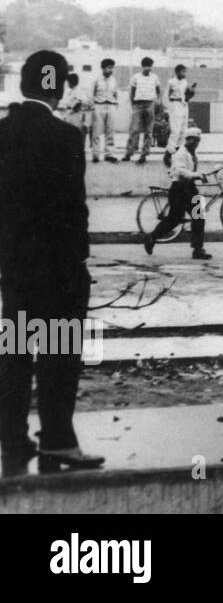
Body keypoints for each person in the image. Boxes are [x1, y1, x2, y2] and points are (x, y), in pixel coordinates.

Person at [0, 51, 104, 476]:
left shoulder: (1, 133)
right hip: (59, 271)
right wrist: (79, 261)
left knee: (16, 352)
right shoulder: (65, 137)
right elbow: (72, 209)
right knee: (59, 355)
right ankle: (58, 440)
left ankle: (11, 438)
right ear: (58, 86)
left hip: (16, 270)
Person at [143, 127, 212, 260]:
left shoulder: (190, 153)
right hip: (180, 188)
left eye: (197, 141)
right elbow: (181, 171)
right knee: (174, 219)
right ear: (190, 140)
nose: (196, 143)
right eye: (195, 140)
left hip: (189, 188)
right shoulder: (181, 153)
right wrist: (197, 175)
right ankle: (152, 237)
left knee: (198, 217)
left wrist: (196, 176)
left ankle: (198, 249)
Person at [125, 57, 159, 164]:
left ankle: (144, 154)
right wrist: (133, 105)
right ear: (142, 66)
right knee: (134, 130)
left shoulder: (155, 77)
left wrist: (157, 102)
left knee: (148, 131)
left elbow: (158, 91)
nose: (148, 68)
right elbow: (132, 92)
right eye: (146, 66)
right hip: (138, 104)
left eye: (150, 66)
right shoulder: (136, 77)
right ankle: (129, 153)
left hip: (150, 104)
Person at [163, 64, 196, 164]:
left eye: (185, 72)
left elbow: (187, 96)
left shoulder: (185, 82)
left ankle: (177, 151)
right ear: (177, 72)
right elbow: (165, 96)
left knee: (183, 130)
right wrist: (166, 109)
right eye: (182, 72)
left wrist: (191, 92)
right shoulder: (171, 82)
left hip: (184, 105)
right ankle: (168, 152)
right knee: (175, 130)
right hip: (175, 104)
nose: (184, 74)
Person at [90, 58, 119, 163]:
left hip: (110, 105)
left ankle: (109, 154)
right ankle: (96, 154)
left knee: (110, 131)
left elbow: (115, 93)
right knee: (97, 131)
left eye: (112, 68)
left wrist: (115, 103)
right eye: (108, 67)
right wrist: (93, 106)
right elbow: (91, 93)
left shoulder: (113, 80)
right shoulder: (96, 79)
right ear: (103, 68)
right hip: (99, 105)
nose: (110, 70)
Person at [57, 72, 90, 149]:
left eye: (68, 82)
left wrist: (69, 108)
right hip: (71, 116)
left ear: (71, 82)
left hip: (76, 117)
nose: (68, 84)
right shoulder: (72, 91)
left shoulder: (79, 92)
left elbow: (79, 104)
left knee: (77, 137)